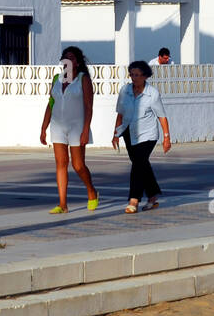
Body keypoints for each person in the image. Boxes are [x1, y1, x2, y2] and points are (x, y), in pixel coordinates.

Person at [39, 46, 99, 214]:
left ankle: (91, 191)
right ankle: (63, 204)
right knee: (61, 163)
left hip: (77, 126)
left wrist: (86, 129)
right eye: (65, 58)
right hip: (57, 126)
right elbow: (51, 104)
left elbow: (89, 106)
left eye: (71, 58)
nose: (68, 61)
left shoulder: (83, 79)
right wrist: (44, 127)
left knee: (78, 165)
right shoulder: (57, 79)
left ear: (78, 62)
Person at [112, 60, 171, 214]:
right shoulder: (125, 90)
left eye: (137, 75)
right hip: (128, 132)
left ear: (145, 76)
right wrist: (115, 133)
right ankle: (152, 195)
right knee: (141, 165)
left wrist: (166, 137)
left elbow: (162, 116)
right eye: (132, 74)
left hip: (147, 134)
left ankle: (134, 199)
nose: (134, 78)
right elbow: (120, 112)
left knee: (138, 165)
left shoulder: (152, 93)